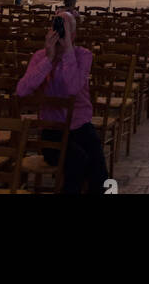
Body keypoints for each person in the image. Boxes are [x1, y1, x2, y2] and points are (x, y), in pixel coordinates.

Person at [16, 11, 108, 194]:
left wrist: (67, 52)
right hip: (52, 130)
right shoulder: (40, 56)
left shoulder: (83, 56)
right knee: (78, 160)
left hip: (79, 126)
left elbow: (72, 88)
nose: (59, 33)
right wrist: (48, 59)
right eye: (55, 27)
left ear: (73, 35)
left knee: (98, 167)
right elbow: (22, 91)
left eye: (64, 29)